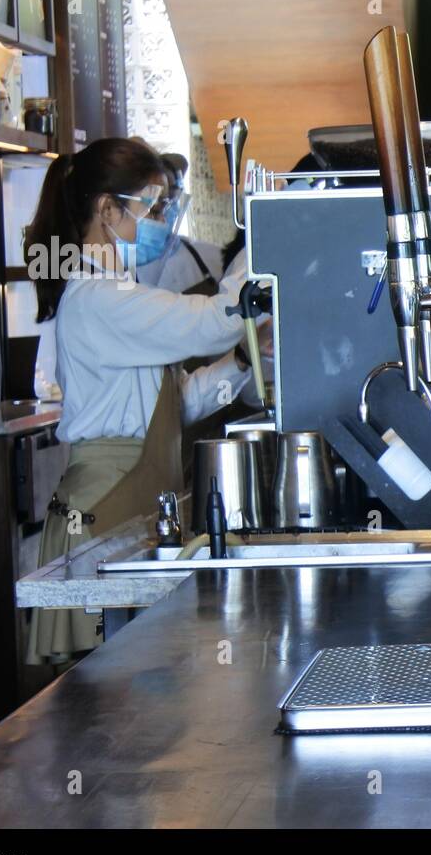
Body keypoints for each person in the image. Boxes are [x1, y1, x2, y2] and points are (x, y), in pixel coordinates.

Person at [23, 137, 266, 664]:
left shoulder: (117, 292)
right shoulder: (98, 299)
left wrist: (243, 362)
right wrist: (260, 247)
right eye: (151, 209)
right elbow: (212, 322)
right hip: (104, 505)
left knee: (136, 683)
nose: (160, 223)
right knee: (104, 696)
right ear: (106, 209)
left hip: (130, 498)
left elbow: (176, 407)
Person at [134, 151, 227, 295]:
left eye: (170, 197)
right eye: (155, 209)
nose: (162, 219)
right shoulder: (105, 275)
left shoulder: (211, 257)